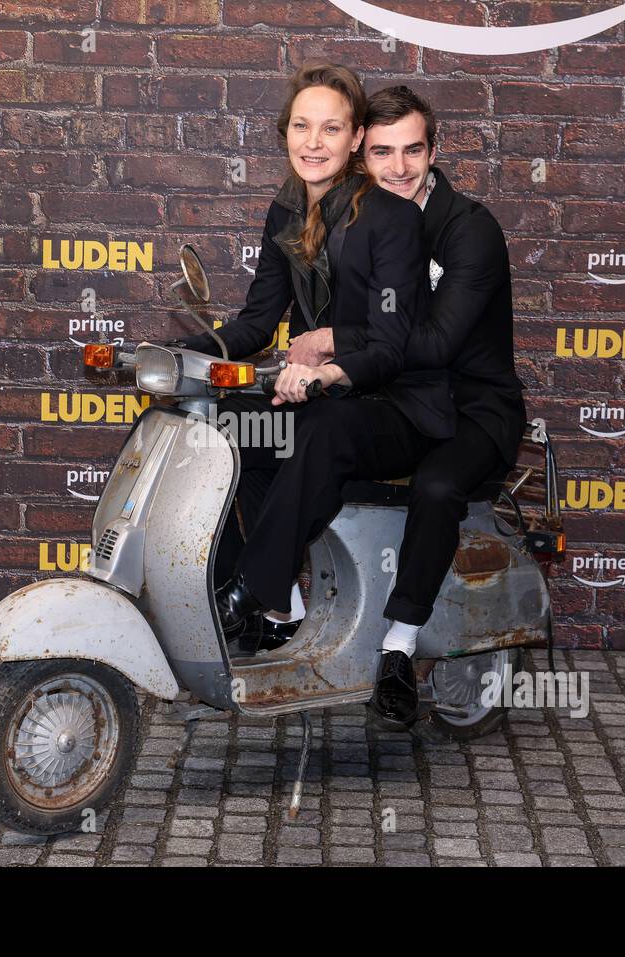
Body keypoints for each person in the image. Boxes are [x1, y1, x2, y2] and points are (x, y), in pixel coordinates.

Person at [174, 64, 454, 657]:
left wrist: (327, 369)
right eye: (302, 127)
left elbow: (391, 340)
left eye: (330, 129)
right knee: (216, 433)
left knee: (321, 429)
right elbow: (255, 322)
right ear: (286, 134)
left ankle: (252, 591)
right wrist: (175, 353)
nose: (313, 142)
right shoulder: (284, 214)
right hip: (325, 397)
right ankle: (248, 598)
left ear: (355, 140)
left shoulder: (393, 219)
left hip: (398, 408)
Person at [288, 86, 527, 727]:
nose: (398, 167)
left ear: (434, 150)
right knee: (284, 433)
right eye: (382, 152)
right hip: (402, 402)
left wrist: (335, 339)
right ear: (361, 155)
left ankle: (397, 648)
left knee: (439, 482)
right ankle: (278, 605)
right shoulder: (356, 222)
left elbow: (439, 342)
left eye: (412, 150)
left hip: (477, 411)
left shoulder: (470, 230)